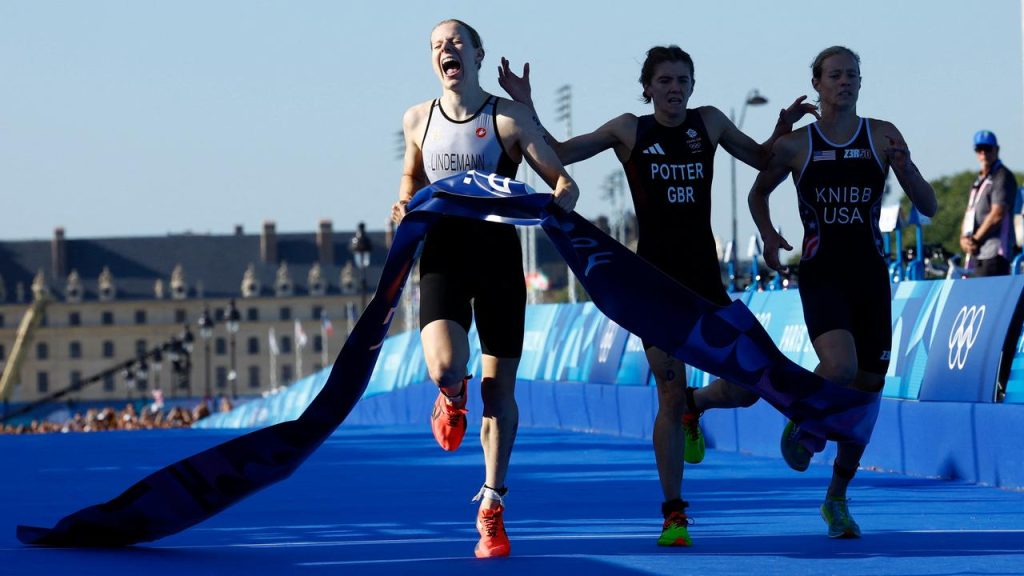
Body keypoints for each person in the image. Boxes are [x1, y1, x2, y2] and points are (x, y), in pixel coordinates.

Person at [499, 45, 816, 546]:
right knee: (665, 392)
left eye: (682, 80)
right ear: (648, 88)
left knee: (747, 388)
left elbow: (760, 159)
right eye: (665, 80)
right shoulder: (629, 130)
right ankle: (674, 513)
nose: (674, 88)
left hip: (706, 284)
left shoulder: (709, 124)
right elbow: (557, 152)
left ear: (692, 86)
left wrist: (781, 126)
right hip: (653, 287)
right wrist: (526, 106)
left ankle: (697, 404)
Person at [391, 19, 578, 559]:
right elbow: (411, 178)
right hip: (444, 256)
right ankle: (450, 398)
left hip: (498, 261)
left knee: (499, 394)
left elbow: (562, 180)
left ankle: (492, 505)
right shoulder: (416, 119)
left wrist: (559, 200)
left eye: (455, 43)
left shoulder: (507, 117)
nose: (446, 52)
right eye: (436, 46)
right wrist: (404, 202)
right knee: (446, 366)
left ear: (476, 54)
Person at [748, 46, 937, 538]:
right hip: (822, 271)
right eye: (835, 75)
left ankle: (836, 498)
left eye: (852, 74)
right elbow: (757, 192)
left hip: (871, 275)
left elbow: (930, 206)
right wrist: (769, 236)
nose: (845, 82)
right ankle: (805, 423)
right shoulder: (796, 145)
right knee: (840, 368)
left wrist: (908, 168)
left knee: (867, 392)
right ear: (817, 84)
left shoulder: (882, 134)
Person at [960, 130, 1017, 276]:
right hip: (977, 253)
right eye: (979, 149)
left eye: (987, 149)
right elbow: (969, 212)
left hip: (994, 252)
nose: (983, 153)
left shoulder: (1002, 176)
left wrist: (975, 239)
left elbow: (997, 213)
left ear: (996, 150)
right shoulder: (979, 180)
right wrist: (964, 239)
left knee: (988, 297)